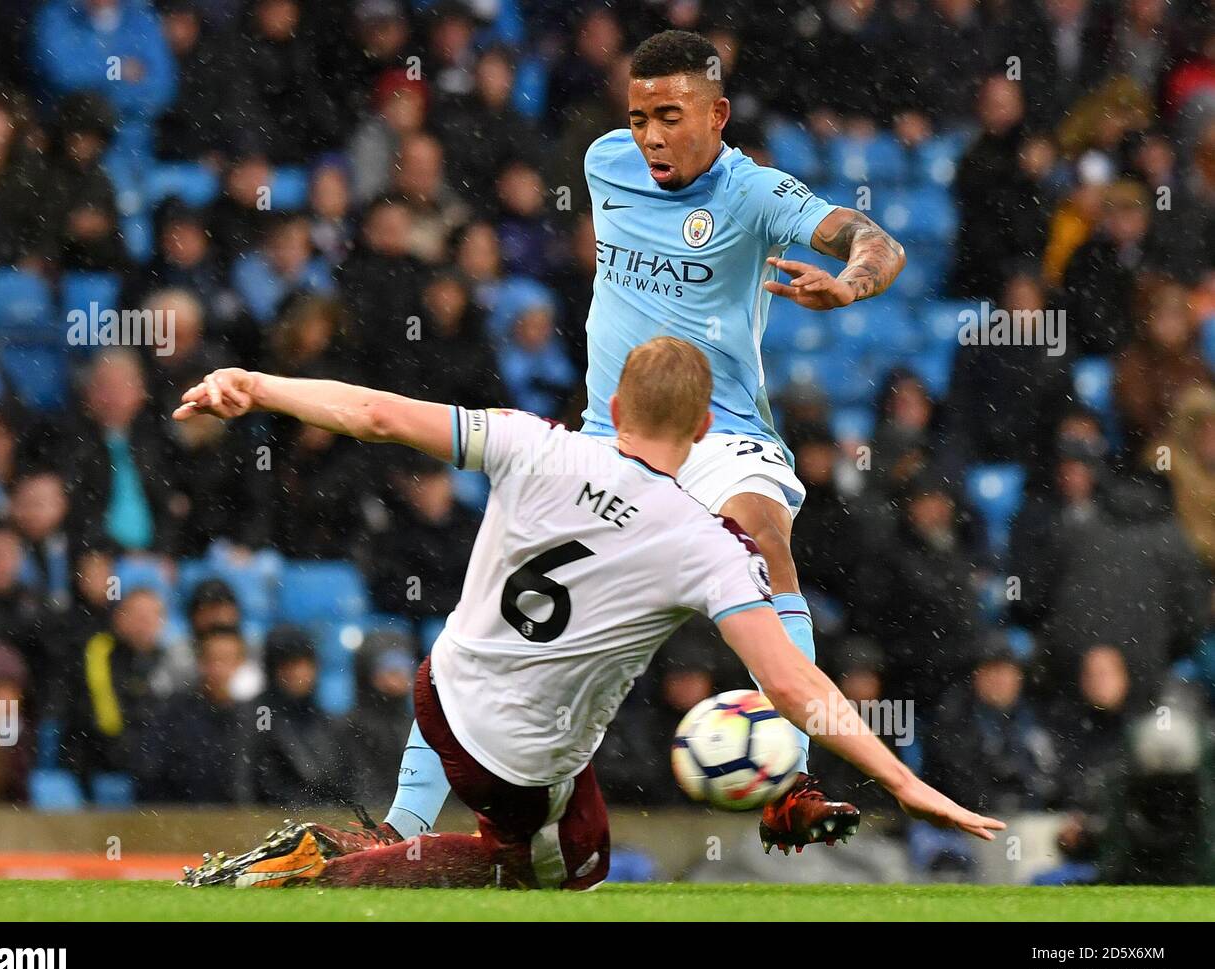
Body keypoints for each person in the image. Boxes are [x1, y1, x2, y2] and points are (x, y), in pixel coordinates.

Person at [173, 337, 1001, 889]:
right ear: (706, 426)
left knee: (541, 805)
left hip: (440, 693)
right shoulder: (704, 542)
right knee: (564, 870)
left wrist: (257, 386)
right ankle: (328, 869)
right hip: (514, 759)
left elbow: (378, 415)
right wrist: (901, 778)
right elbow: (788, 679)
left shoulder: (532, 440)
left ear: (614, 402)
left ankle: (358, 849)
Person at [363, 28, 910, 857]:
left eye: (671, 115)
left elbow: (877, 240)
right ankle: (398, 827)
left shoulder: (757, 193)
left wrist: (852, 280)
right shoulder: (603, 163)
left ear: (718, 115)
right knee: (491, 620)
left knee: (763, 536)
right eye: (639, 114)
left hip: (720, 430)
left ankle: (790, 784)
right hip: (609, 437)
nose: (650, 135)